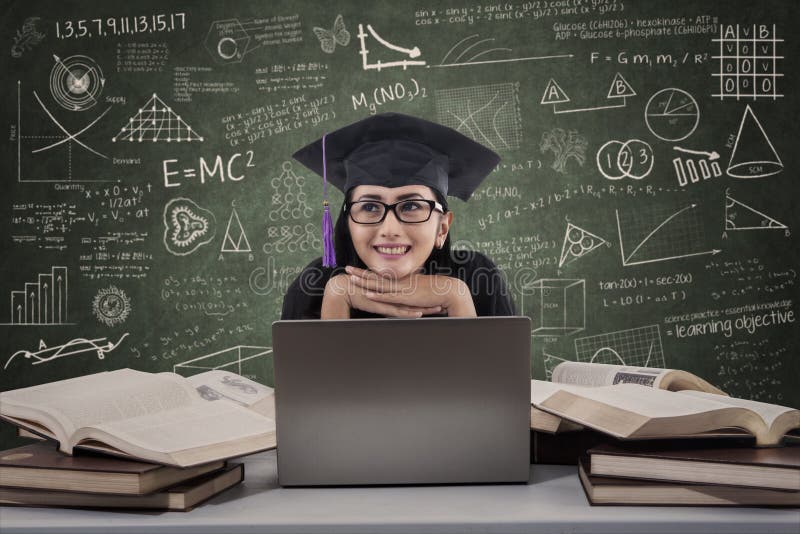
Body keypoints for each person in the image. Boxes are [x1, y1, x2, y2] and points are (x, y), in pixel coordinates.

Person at [281, 112, 515, 320]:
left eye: (411, 206)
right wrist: (335, 300)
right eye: (370, 207)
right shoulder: (314, 285)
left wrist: (458, 298)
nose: (389, 229)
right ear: (349, 223)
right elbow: (310, 370)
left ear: (442, 228)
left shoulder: (477, 277)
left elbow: (504, 370)